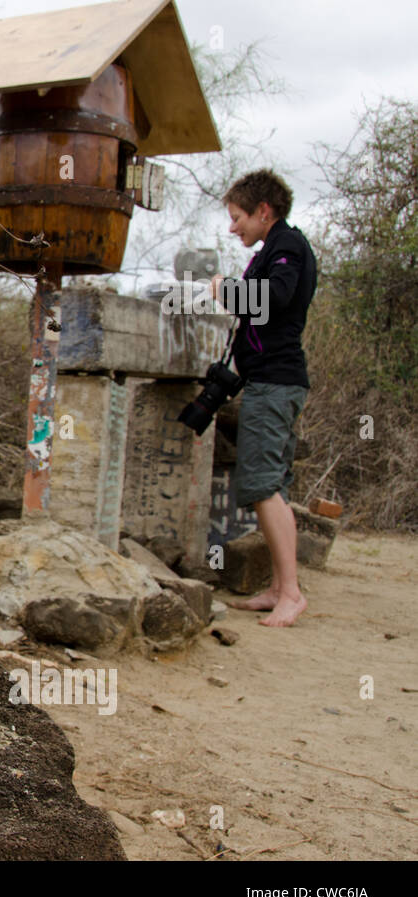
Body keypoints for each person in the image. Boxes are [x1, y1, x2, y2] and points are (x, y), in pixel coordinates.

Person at [207, 169, 316, 628]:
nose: (233, 228)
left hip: (276, 383)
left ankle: (291, 593)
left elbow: (271, 299)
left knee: (263, 484)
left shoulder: (287, 246)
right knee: (272, 486)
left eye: (238, 218)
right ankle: (277, 588)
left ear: (263, 212)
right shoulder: (272, 250)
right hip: (269, 381)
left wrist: (223, 289)